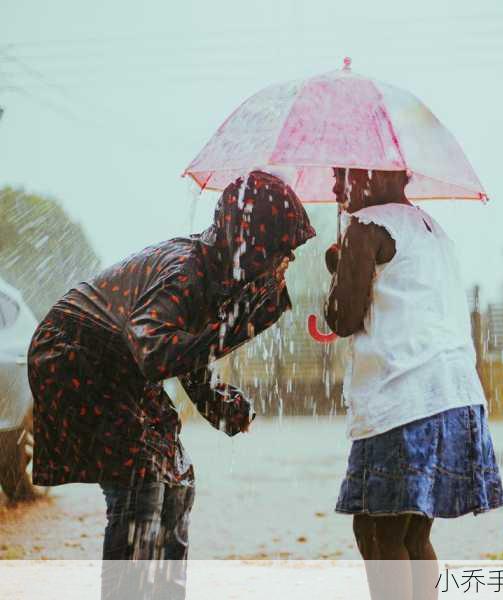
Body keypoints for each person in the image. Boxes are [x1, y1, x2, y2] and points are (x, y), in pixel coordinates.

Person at [28, 170, 315, 599]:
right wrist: (231, 329)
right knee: (140, 475)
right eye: (280, 251)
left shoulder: (217, 269)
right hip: (75, 352)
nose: (285, 263)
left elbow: (183, 348)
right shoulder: (187, 270)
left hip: (116, 362)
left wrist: (220, 403)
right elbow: (155, 349)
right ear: (250, 244)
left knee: (177, 478)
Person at [325, 168, 503, 600]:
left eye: (339, 176)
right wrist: (346, 265)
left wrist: (337, 271)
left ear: (367, 176)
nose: (334, 188)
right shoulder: (430, 228)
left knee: (375, 532)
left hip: (403, 400)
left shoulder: (367, 227)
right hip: (453, 397)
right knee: (410, 534)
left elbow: (342, 319)